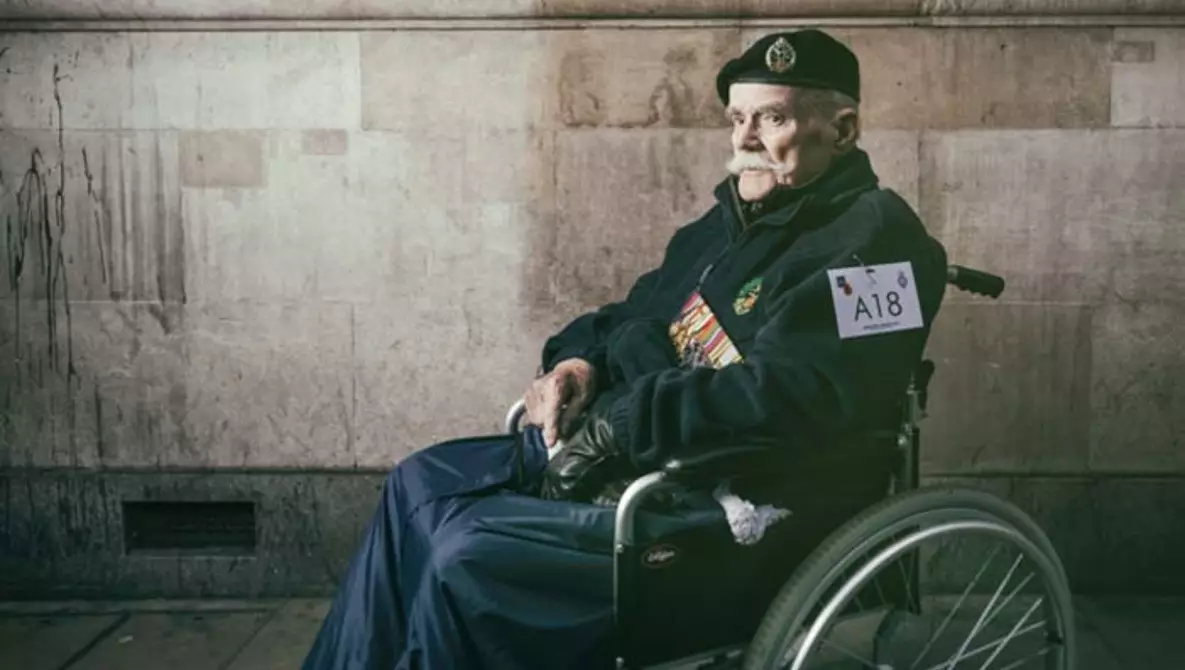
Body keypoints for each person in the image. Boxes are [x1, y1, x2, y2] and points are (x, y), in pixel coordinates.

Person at [302, 28, 949, 670]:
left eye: (771, 117)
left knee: (467, 556)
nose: (743, 139)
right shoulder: (727, 224)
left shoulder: (878, 245)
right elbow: (629, 316)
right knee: (419, 483)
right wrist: (577, 363)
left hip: (726, 501)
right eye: (736, 119)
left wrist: (618, 426)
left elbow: (790, 396)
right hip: (641, 461)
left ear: (841, 130)